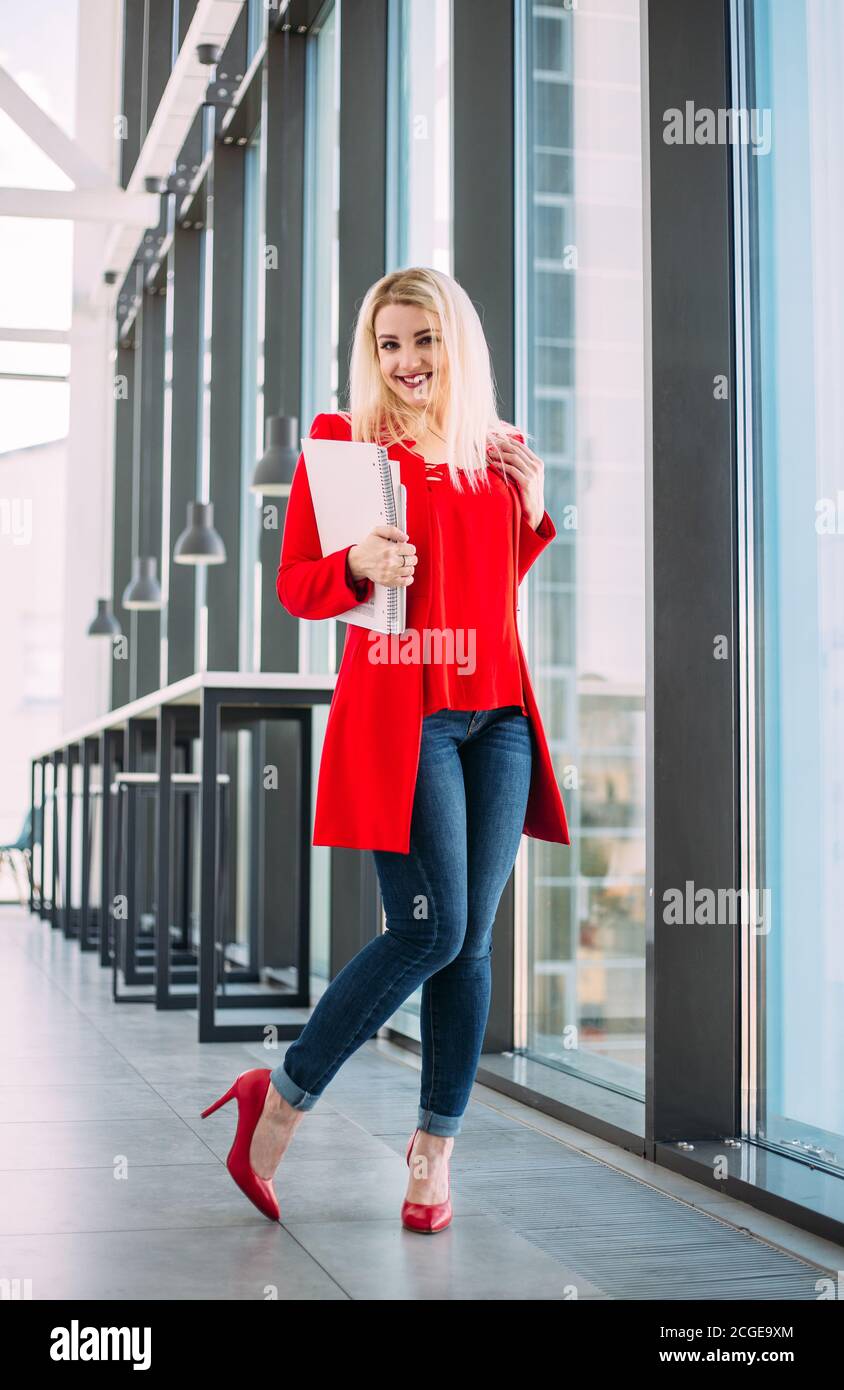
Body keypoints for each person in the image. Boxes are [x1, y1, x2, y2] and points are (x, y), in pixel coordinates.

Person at [201, 266, 570, 1233]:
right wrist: (356, 562)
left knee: (471, 943)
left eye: (423, 340)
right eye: (388, 344)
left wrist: (534, 517)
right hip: (409, 718)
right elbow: (297, 585)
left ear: (458, 345)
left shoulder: (501, 451)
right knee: (427, 928)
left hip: (500, 722)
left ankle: (433, 1153)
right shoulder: (344, 446)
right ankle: (277, 1097)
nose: (405, 361)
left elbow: (492, 588)